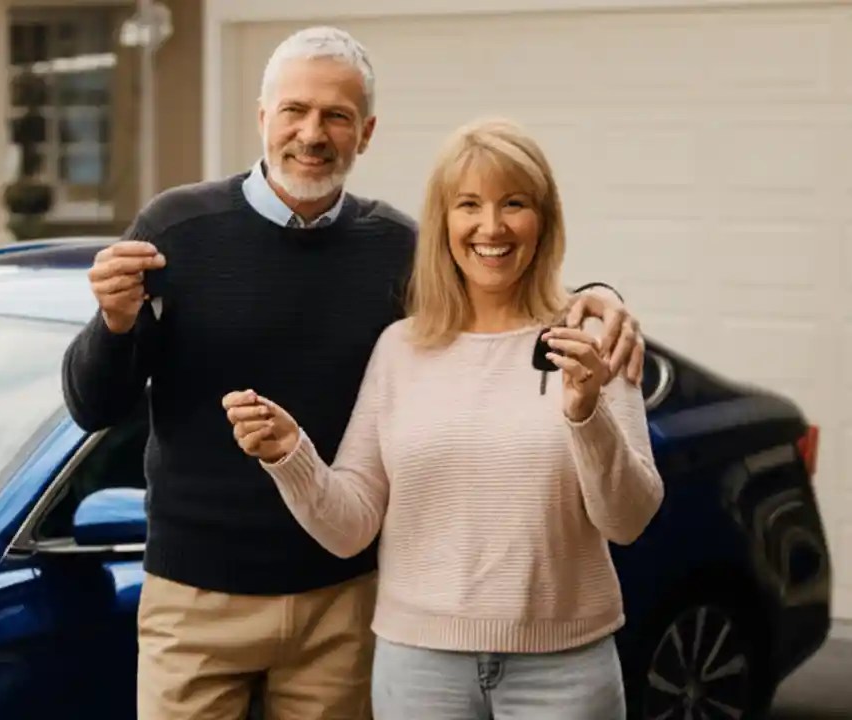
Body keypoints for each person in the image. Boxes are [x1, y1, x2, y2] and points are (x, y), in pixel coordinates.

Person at [62, 27, 646, 720]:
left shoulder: (398, 250)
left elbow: (494, 309)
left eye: (336, 116)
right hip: (198, 595)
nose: (313, 134)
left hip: (341, 602)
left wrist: (596, 299)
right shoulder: (176, 229)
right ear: (263, 116)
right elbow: (94, 405)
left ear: (365, 133)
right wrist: (114, 324)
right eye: (295, 110)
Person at [223, 116, 664, 719]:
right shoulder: (401, 349)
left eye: (514, 203)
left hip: (564, 669)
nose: (492, 226)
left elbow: (628, 521)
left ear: (545, 220)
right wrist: (289, 454)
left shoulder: (592, 338)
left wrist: (587, 416)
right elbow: (350, 528)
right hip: (419, 671)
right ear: (443, 223)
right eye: (469, 205)